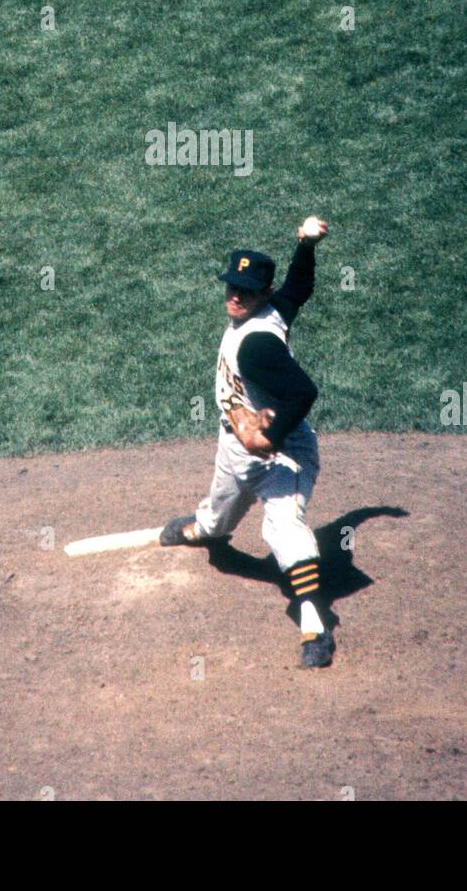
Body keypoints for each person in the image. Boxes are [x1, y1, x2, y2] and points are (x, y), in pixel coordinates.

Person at [161, 219, 335, 668]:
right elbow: (299, 288)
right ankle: (207, 530)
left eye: (247, 292)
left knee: (282, 529)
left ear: (262, 292)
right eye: (231, 287)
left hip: (283, 454)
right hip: (237, 445)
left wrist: (270, 437)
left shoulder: (257, 345)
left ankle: (316, 625)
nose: (235, 297)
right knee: (221, 507)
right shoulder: (272, 310)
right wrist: (306, 245)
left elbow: (304, 394)